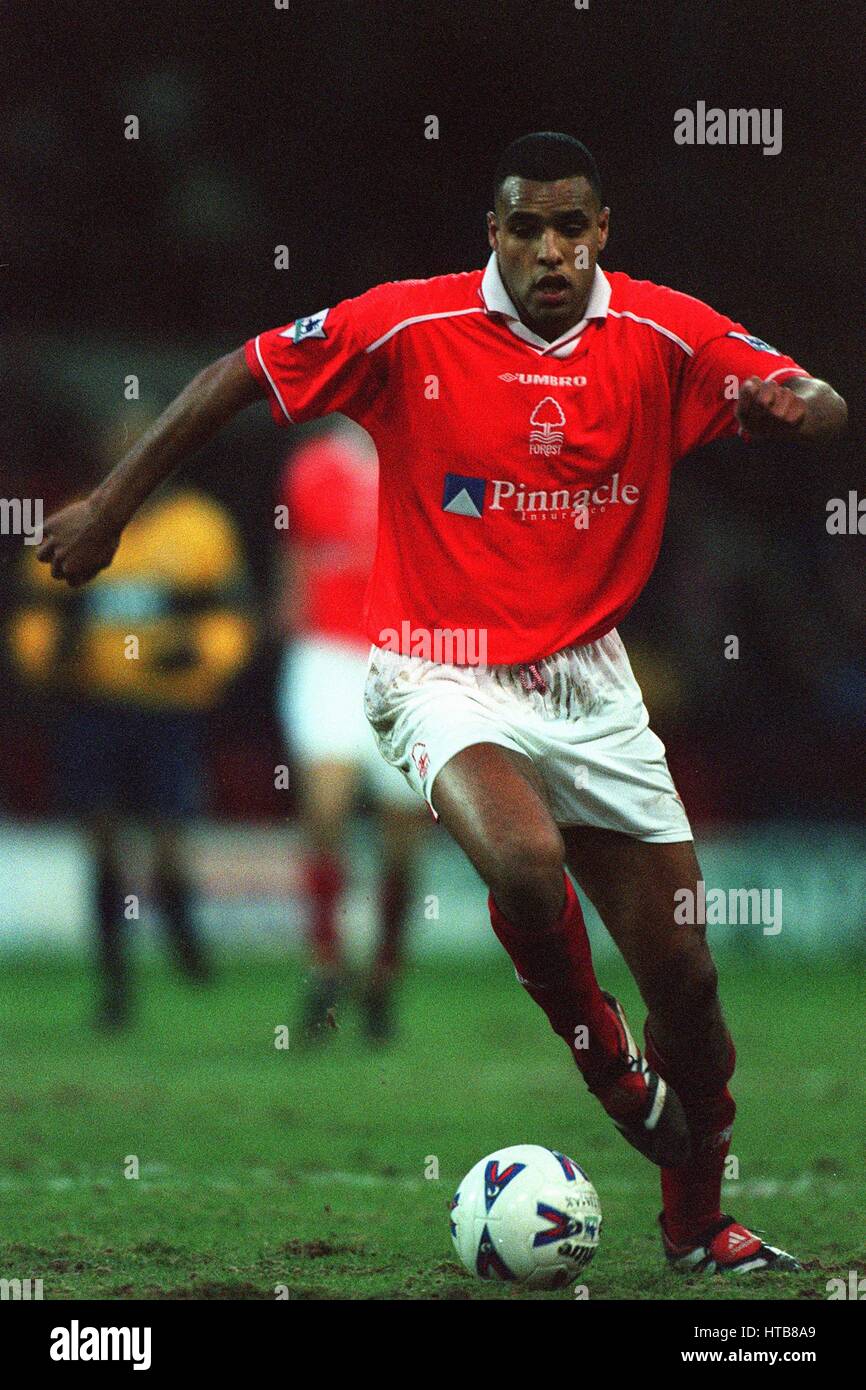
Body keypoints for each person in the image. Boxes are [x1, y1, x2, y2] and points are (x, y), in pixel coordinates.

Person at [36, 131, 847, 1271]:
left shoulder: (664, 331)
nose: (550, 250)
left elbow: (799, 390)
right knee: (521, 862)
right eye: (526, 228)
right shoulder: (405, 326)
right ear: (494, 234)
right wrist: (112, 507)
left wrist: (801, 405)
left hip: (591, 686)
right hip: (437, 666)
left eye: (572, 227)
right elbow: (241, 370)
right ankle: (603, 1059)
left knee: (693, 988)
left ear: (600, 233)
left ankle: (696, 1227)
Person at [13, 463, 255, 1028]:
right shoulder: (73, 523)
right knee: (101, 843)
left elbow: (232, 613)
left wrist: (200, 655)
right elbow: (36, 614)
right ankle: (115, 980)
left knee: (170, 840)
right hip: (92, 707)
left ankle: (179, 925)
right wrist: (50, 657)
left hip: (168, 711)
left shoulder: (198, 528)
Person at [273, 419, 426, 1041]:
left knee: (400, 836)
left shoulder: (428, 454)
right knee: (326, 807)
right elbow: (295, 558)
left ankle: (385, 971)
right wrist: (290, 620)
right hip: (329, 656)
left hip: (409, 657)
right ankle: (326, 961)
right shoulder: (312, 465)